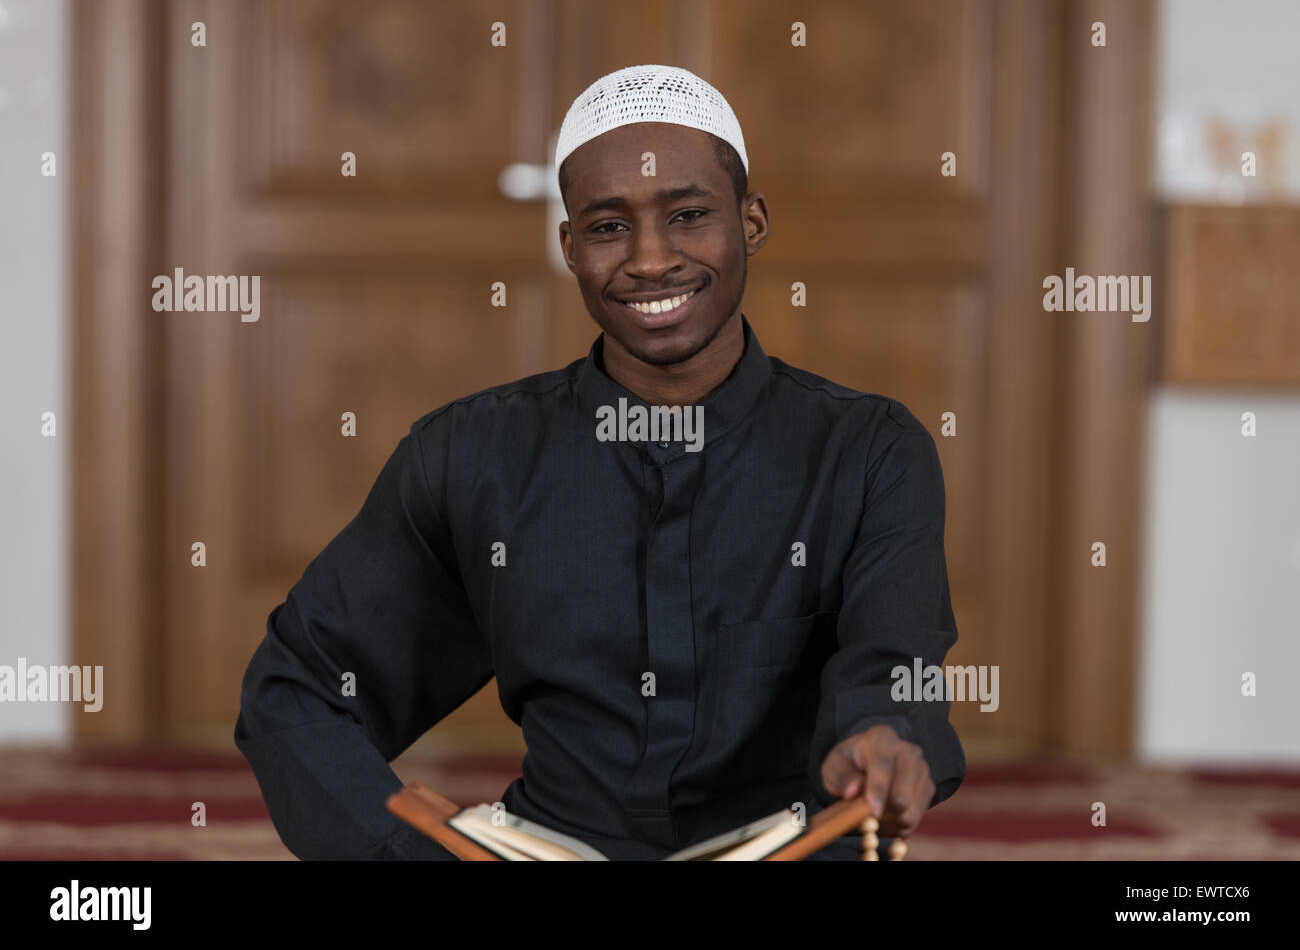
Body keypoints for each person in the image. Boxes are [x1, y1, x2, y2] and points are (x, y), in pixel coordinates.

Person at [235, 64, 965, 861]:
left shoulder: (869, 452)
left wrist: (887, 738)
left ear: (751, 223)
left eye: (688, 215)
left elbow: (894, 669)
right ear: (569, 247)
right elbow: (299, 685)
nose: (650, 260)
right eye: (609, 226)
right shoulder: (472, 456)